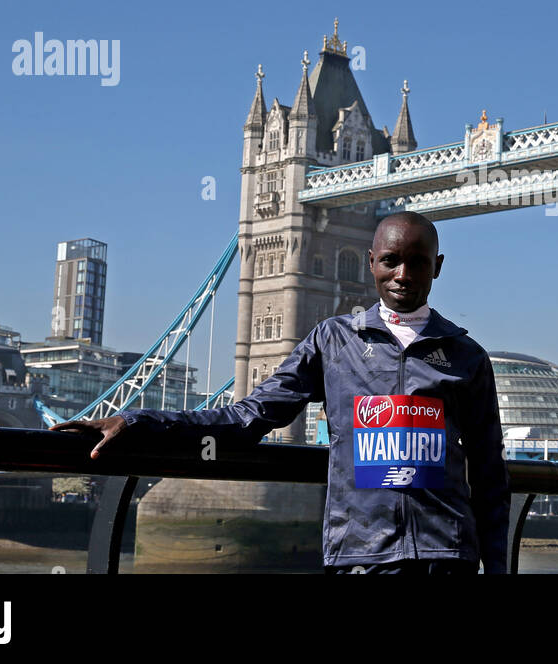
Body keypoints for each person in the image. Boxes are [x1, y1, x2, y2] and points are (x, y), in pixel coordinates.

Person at [51, 211, 510, 574]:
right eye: (391, 261)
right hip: (359, 556)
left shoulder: (466, 356)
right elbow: (247, 418)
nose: (403, 274)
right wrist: (138, 421)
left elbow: (490, 473)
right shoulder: (333, 341)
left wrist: (497, 567)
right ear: (371, 262)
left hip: (447, 556)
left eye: (418, 262)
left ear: (438, 267)